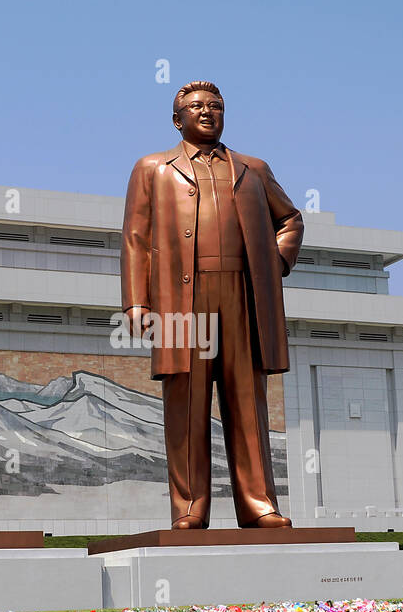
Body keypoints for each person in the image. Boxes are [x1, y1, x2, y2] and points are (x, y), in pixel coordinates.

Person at [120, 81, 303, 529]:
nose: (207, 113)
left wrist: (273, 263)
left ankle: (259, 504)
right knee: (186, 404)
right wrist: (136, 302)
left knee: (247, 403)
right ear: (176, 118)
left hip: (242, 296)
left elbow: (290, 219)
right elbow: (136, 238)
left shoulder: (253, 169)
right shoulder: (152, 168)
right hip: (183, 300)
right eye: (197, 106)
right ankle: (189, 508)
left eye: (216, 106)